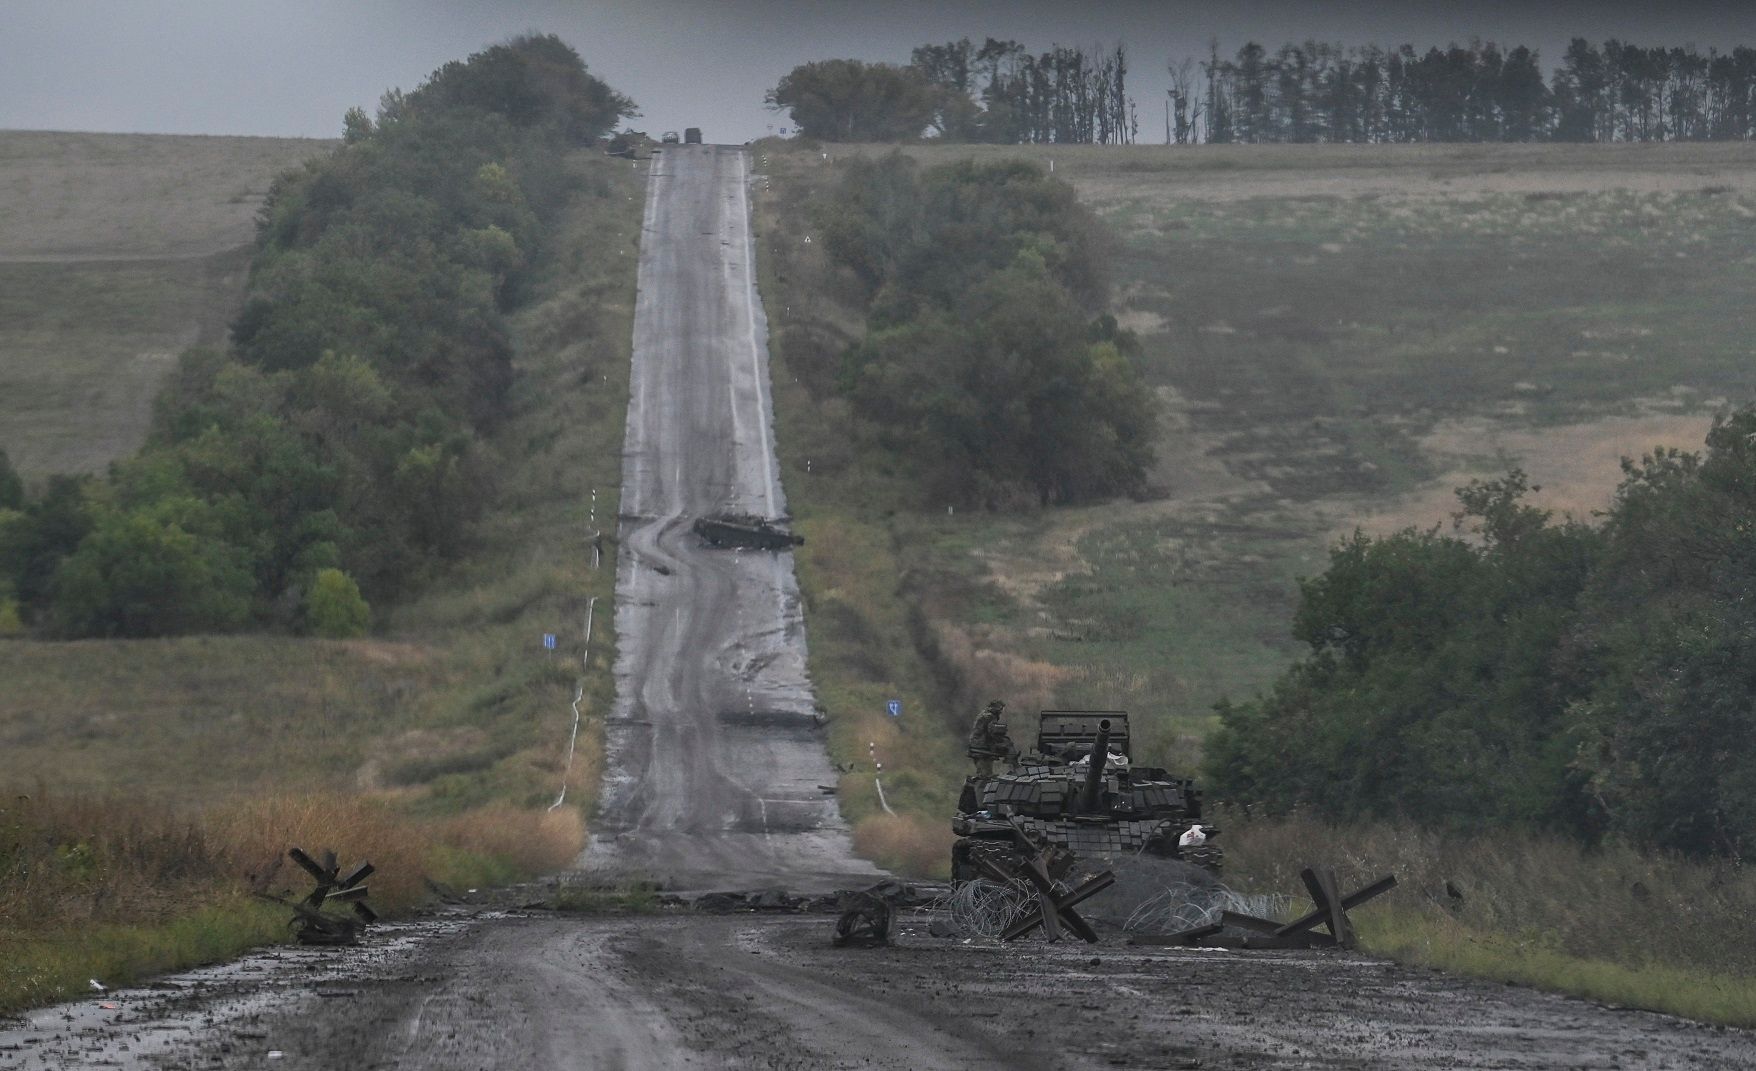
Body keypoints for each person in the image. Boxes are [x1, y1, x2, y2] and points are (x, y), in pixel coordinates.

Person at [967, 699, 1014, 778]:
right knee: (985, 775)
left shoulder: (984, 714)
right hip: (982, 748)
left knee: (983, 772)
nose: (1001, 711)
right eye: (1001, 709)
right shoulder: (990, 716)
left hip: (977, 746)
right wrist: (1002, 741)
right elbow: (992, 732)